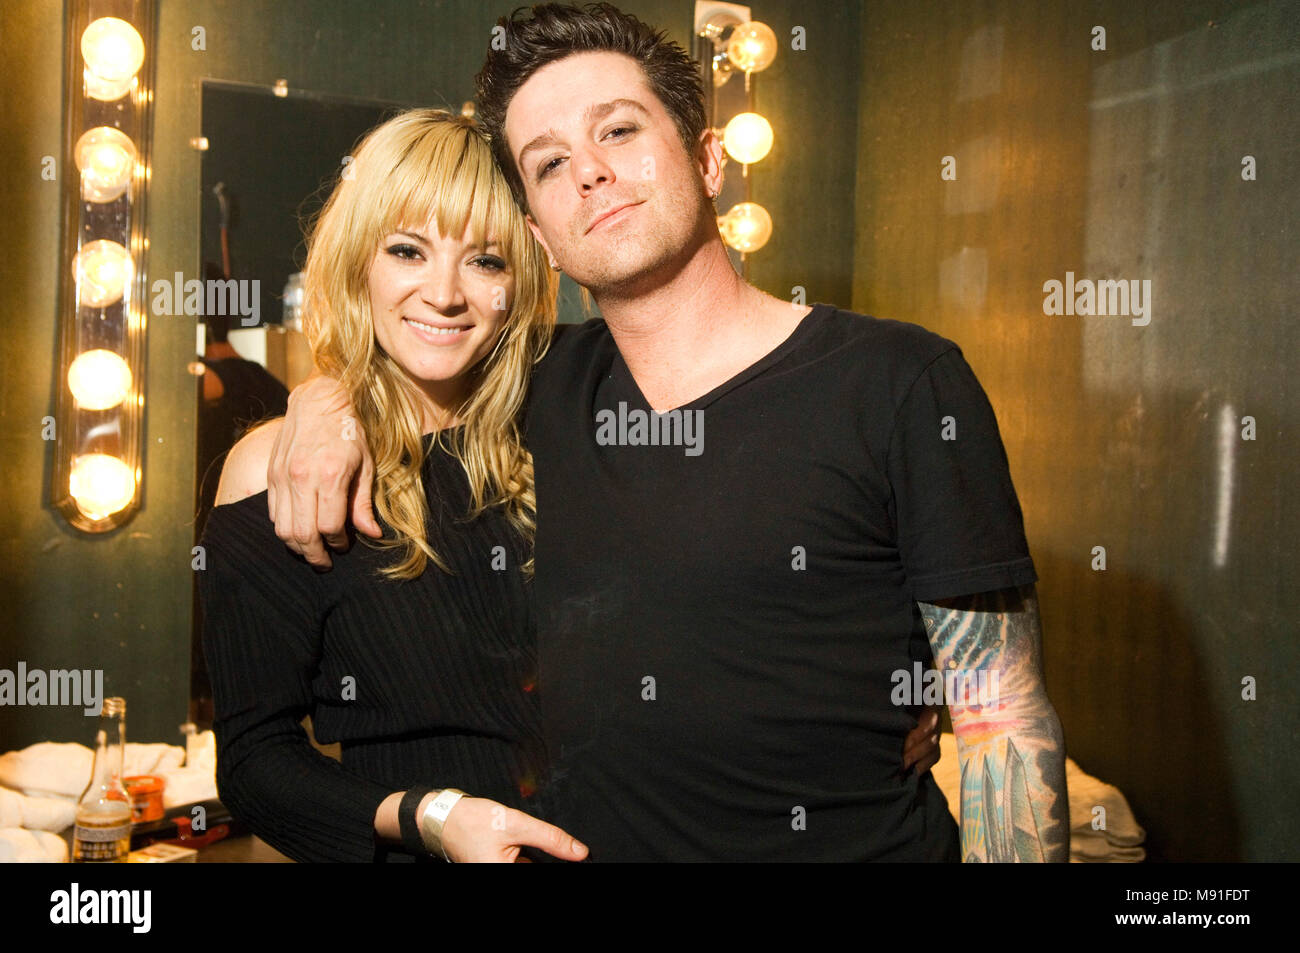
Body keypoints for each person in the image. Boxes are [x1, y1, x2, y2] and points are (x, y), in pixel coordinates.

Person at [270, 5, 1018, 862]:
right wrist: (324, 401)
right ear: (541, 236)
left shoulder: (899, 382)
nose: (589, 171)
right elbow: (413, 352)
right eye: (550, 162)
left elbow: (1007, 720)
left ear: (707, 160)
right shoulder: (534, 389)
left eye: (619, 130)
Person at [198, 108, 590, 862]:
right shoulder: (282, 468)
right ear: (359, 264)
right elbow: (254, 763)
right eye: (408, 250)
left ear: (524, 276)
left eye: (485, 261)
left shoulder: (572, 420)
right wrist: (433, 816)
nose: (444, 293)